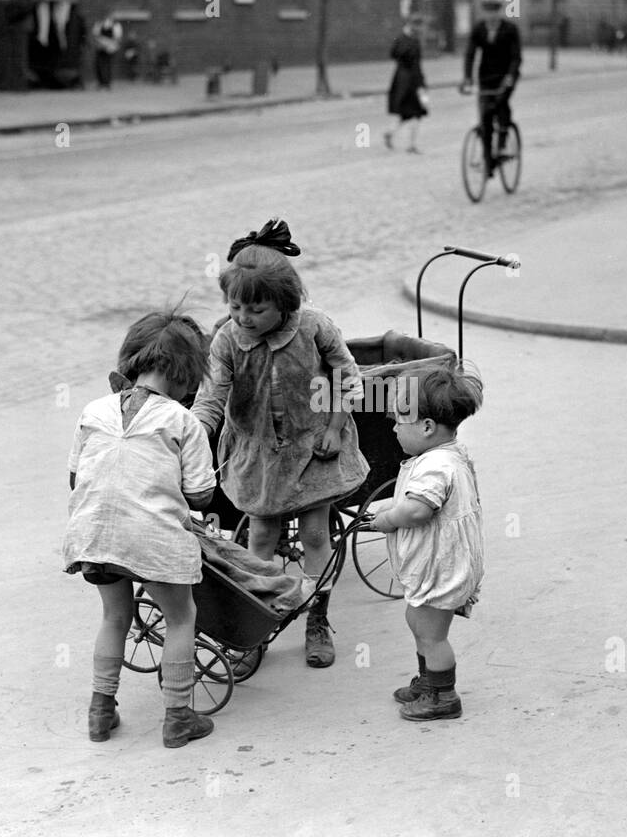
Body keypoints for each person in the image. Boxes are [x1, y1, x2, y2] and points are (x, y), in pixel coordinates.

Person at [190, 219, 369, 668]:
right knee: (262, 533)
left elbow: (347, 377)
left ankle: (317, 618)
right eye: (235, 307)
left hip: (314, 447)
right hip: (257, 453)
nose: (243, 318)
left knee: (313, 532)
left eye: (255, 310)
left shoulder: (313, 327)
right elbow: (211, 395)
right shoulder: (227, 339)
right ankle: (259, 624)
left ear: (284, 304)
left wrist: (333, 426)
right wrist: (190, 433)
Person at [63, 309, 217, 748]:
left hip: (93, 534)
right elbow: (202, 494)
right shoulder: (183, 421)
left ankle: (100, 710)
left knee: (115, 614)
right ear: (188, 377)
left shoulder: (93, 410)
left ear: (131, 360)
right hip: (149, 538)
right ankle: (178, 716)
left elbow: (76, 479)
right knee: (181, 615)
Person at [364, 366, 484, 721]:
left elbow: (416, 511)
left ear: (428, 427)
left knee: (431, 633)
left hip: (442, 565)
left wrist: (386, 519)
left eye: (400, 419)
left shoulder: (436, 465)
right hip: (440, 560)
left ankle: (443, 695)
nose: (394, 426)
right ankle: (429, 681)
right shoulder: (442, 456)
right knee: (419, 621)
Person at [461, 0, 522, 178]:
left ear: (499, 12)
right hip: (486, 77)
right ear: (483, 13)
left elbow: (516, 57)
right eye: (487, 11)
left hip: (506, 76)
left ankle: (502, 143)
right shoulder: (479, 29)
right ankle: (488, 160)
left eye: (494, 11)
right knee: (485, 117)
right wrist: (468, 78)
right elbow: (470, 54)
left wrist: (510, 76)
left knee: (501, 103)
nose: (491, 15)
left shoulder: (510, 29)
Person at [385, 15, 428, 153]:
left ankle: (391, 132)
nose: (421, 28)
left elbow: (393, 54)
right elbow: (416, 65)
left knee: (407, 114)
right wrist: (421, 85)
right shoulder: (413, 41)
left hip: (400, 79)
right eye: (419, 25)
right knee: (416, 113)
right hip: (411, 82)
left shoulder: (400, 38)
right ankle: (411, 145)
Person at [93, 13, 123, 90]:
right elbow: (96, 35)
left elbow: (117, 37)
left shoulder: (115, 25)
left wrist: (111, 45)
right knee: (99, 65)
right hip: (100, 48)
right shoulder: (99, 24)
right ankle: (101, 82)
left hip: (110, 48)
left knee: (107, 65)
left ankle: (107, 83)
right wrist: (101, 44)